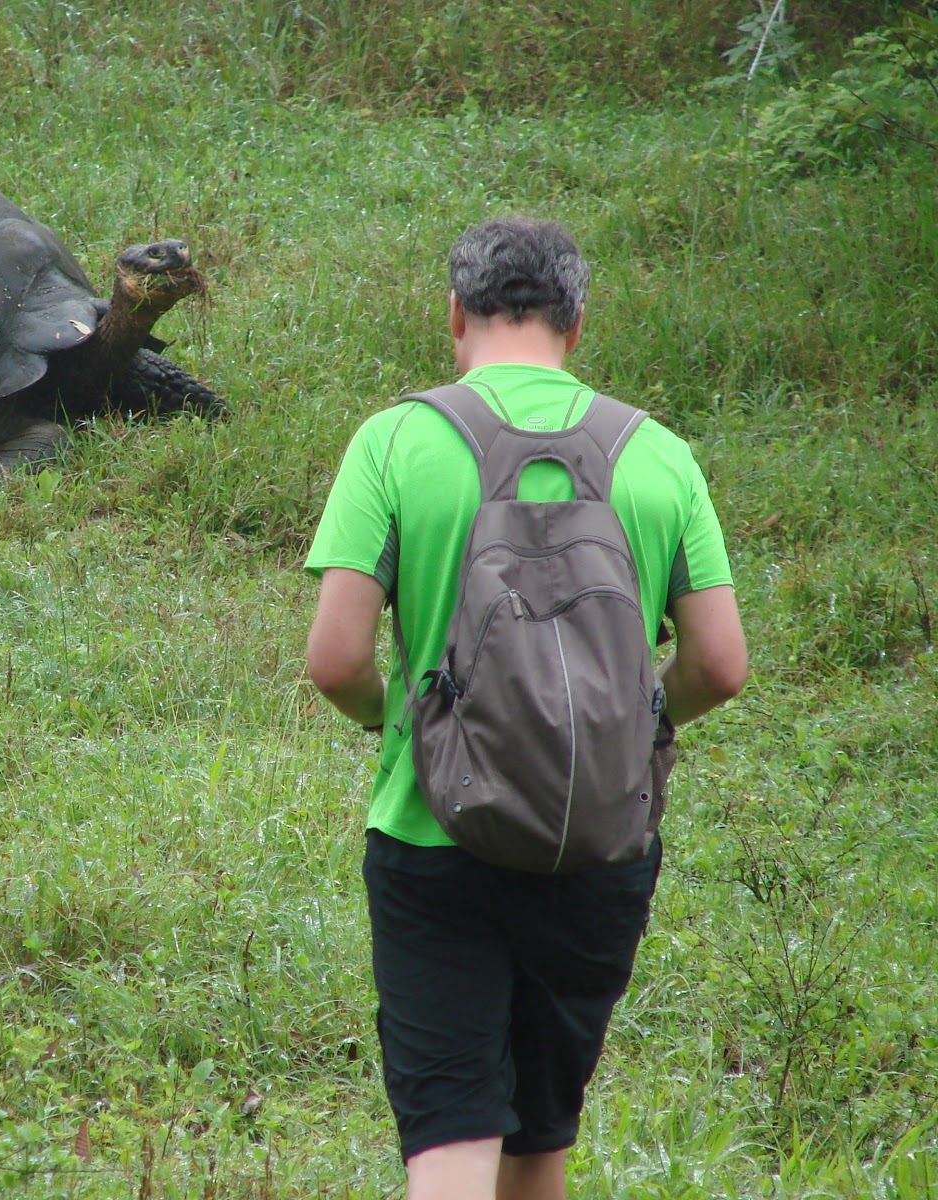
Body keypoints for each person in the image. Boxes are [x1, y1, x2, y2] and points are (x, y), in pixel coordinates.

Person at [303, 216, 747, 1200]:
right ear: (576, 324)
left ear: (452, 314)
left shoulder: (395, 441)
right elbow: (719, 665)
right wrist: (638, 722)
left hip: (431, 839)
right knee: (537, 1141)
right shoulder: (657, 453)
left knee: (451, 1136)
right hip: (597, 844)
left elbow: (334, 659)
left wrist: (406, 723)